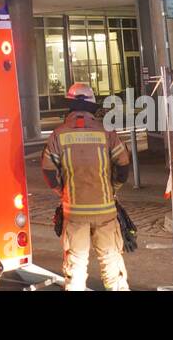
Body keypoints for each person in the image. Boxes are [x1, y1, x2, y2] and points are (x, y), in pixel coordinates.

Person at [41, 82, 131, 291]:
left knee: (76, 269)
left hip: (74, 213)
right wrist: (113, 188)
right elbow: (123, 165)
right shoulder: (107, 132)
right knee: (111, 266)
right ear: (92, 106)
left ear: (70, 106)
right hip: (105, 211)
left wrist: (62, 192)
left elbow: (47, 171)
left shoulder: (58, 134)